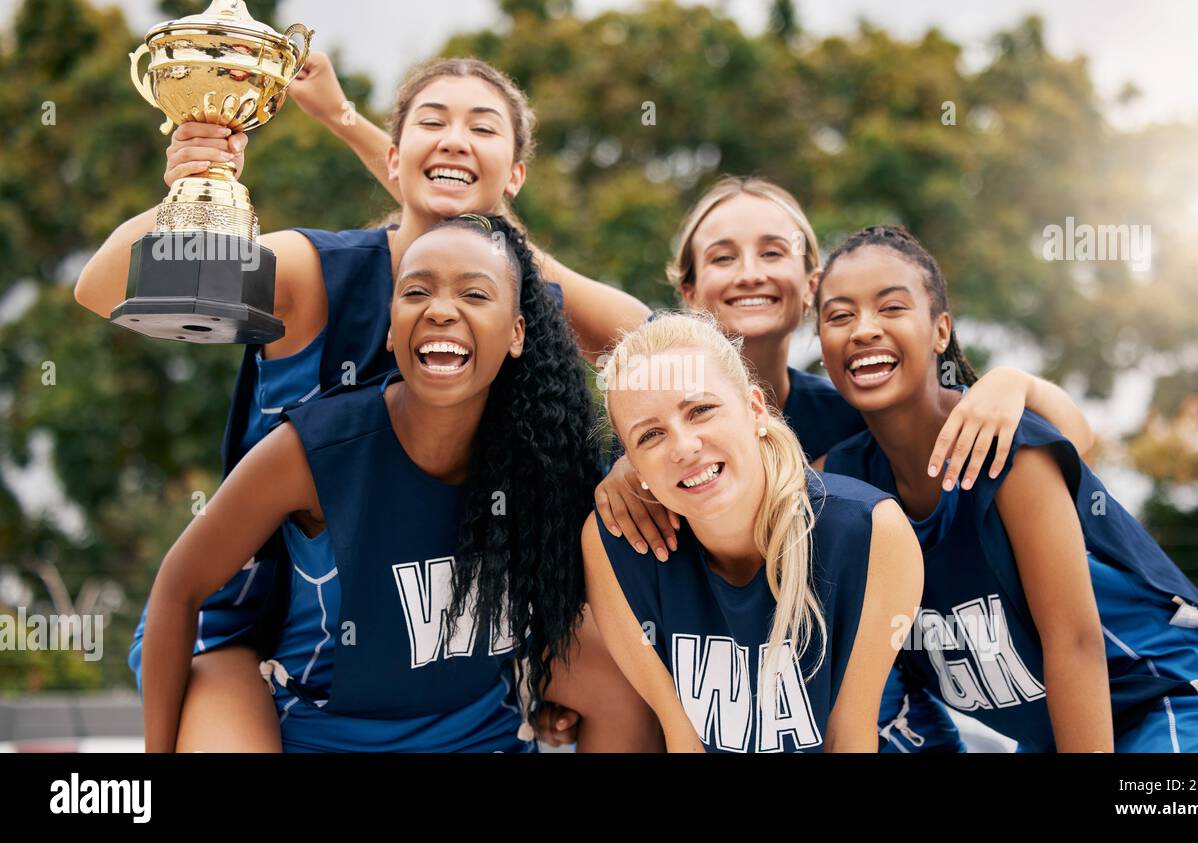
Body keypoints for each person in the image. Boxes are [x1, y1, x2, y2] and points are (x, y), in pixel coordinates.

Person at [73, 56, 647, 745]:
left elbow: (651, 347)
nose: (457, 138)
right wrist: (191, 187)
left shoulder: (525, 315)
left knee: (611, 664)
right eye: (433, 122)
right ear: (396, 158)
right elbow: (105, 287)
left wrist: (625, 465)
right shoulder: (315, 275)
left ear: (516, 175)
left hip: (422, 628)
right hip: (257, 624)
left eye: (483, 128)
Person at [593, 175, 1095, 752]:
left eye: (773, 252)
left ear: (809, 287)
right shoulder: (648, 450)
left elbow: (1071, 444)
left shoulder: (859, 410)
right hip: (741, 701)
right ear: (688, 290)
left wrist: (1015, 382)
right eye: (723, 256)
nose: (750, 271)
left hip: (869, 697)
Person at [141, 215, 661, 751]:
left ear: (516, 333)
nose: (440, 309)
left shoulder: (547, 459)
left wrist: (630, 464)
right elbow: (179, 588)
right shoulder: (313, 450)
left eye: (475, 294)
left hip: (478, 733)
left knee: (623, 674)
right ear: (391, 328)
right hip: (320, 731)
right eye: (416, 291)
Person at [818, 223, 1198, 751]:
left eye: (892, 308)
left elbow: (1076, 643)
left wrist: (1021, 382)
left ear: (941, 331)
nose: (863, 329)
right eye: (839, 315)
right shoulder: (835, 487)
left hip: (1176, 696)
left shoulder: (1008, 451)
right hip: (1058, 729)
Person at [583, 311, 925, 752]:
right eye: (650, 436)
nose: (684, 447)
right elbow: (683, 738)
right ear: (633, 465)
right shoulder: (617, 549)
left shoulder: (868, 532)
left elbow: (848, 737)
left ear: (754, 409)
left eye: (701, 410)